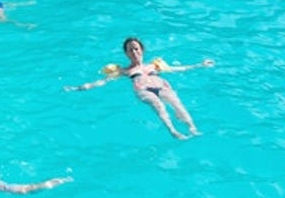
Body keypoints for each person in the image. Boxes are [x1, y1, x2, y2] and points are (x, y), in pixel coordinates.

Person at [66, 36, 215, 139]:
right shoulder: (124, 70)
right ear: (126, 54)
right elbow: (102, 81)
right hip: (143, 90)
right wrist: (79, 88)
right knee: (158, 105)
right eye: (130, 50)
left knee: (176, 103)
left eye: (136, 49)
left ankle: (192, 128)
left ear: (142, 50)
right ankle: (173, 131)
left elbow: (179, 68)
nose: (134, 52)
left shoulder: (154, 65)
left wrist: (200, 65)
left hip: (161, 86)